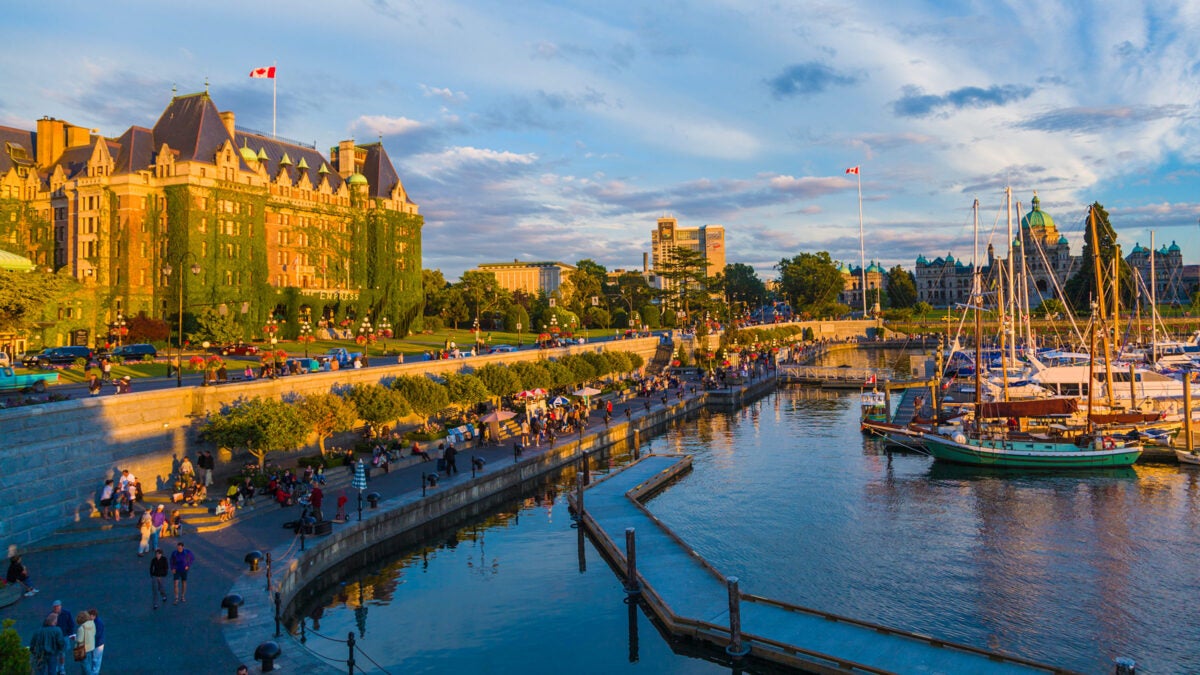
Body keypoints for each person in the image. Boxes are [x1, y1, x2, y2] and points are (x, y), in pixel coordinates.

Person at [75, 610, 95, 674]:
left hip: (83, 649)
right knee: (89, 665)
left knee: (85, 667)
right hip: (91, 647)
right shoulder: (92, 624)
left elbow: (79, 640)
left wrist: (75, 638)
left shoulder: (81, 628)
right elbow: (94, 633)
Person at [87, 609, 104, 675]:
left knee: (96, 660)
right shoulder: (93, 621)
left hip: (98, 644)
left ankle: (95, 673)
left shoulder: (98, 623)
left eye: (89, 616)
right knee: (94, 659)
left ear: (94, 616)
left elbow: (97, 634)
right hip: (94, 643)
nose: (88, 617)